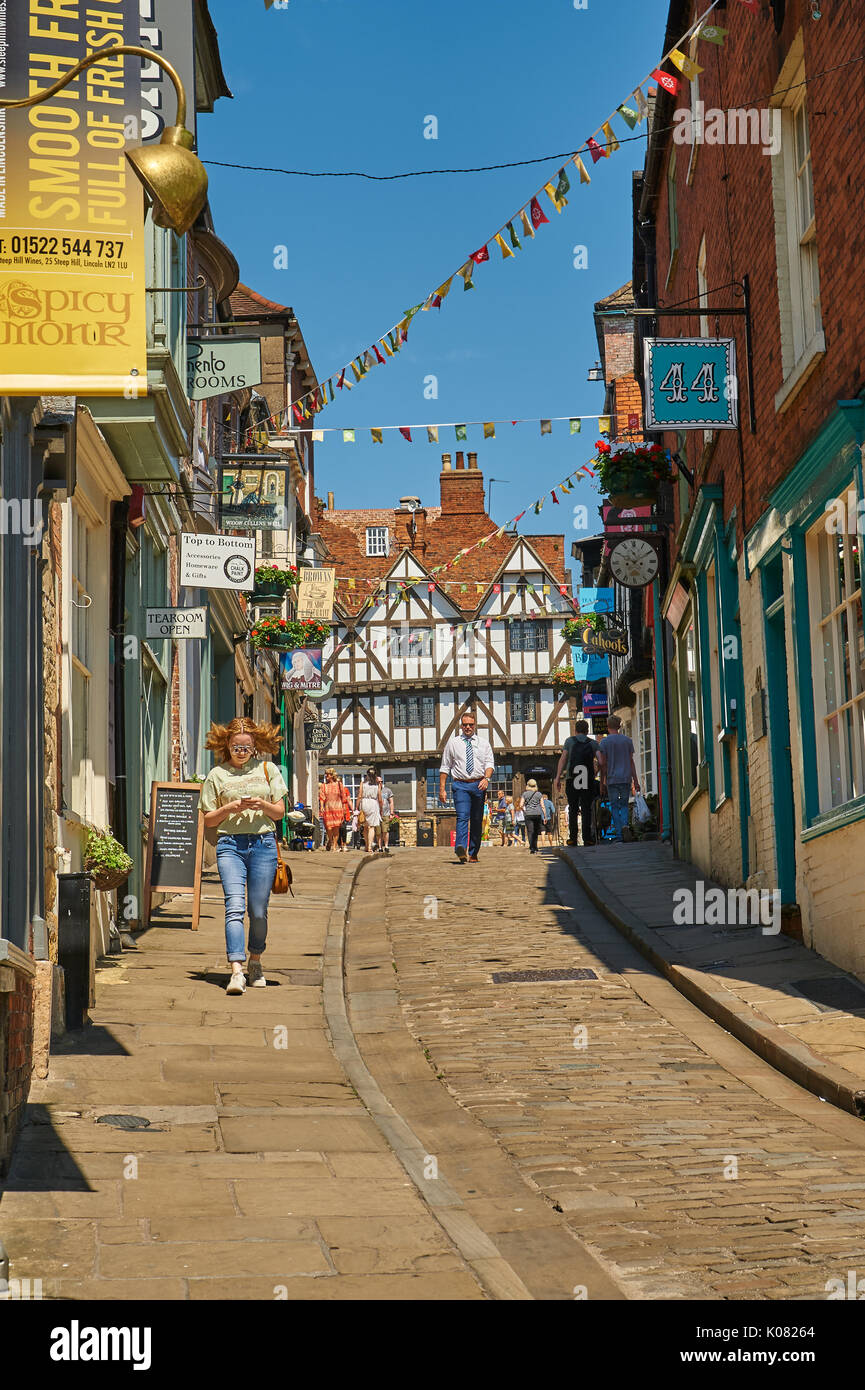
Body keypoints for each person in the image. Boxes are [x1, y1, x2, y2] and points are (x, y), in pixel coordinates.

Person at [199, 717, 288, 994]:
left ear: (254, 748)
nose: (240, 752)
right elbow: (208, 820)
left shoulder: (268, 769)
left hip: (263, 844)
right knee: (234, 906)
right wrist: (229, 809)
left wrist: (261, 804)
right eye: (236, 747)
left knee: (258, 911)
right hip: (230, 846)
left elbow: (280, 812)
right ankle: (236, 970)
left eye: (246, 748)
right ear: (227, 745)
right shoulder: (217, 775)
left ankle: (256, 961)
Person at [439, 710, 494, 863]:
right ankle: (461, 847)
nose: (468, 727)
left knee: (476, 819)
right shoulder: (453, 743)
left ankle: (473, 852)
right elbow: (445, 767)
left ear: (474, 725)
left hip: (478, 785)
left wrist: (487, 779)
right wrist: (442, 789)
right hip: (460, 785)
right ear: (461, 726)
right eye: (465, 725)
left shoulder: (483, 743)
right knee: (462, 816)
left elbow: (490, 764)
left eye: (470, 724)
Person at [555, 720, 600, 847]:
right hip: (588, 778)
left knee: (573, 808)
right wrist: (596, 772)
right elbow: (601, 760)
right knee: (586, 808)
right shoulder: (593, 743)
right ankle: (587, 838)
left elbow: (563, 759)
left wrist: (558, 777)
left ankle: (573, 838)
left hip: (572, 778)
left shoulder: (570, 741)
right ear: (587, 731)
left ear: (575, 730)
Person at [597, 715, 640, 843]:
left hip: (612, 778)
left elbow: (603, 764)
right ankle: (625, 825)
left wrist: (602, 782)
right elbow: (631, 762)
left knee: (615, 806)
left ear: (608, 726)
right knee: (624, 805)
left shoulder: (604, 742)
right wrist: (636, 781)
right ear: (619, 726)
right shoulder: (627, 741)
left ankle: (620, 835)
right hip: (626, 777)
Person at [319, 768, 350, 853]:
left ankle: (334, 846)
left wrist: (344, 808)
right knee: (328, 827)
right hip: (328, 808)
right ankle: (330, 840)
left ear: (332, 775)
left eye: (327, 774)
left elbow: (343, 797)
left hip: (338, 807)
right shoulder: (323, 786)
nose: (326, 776)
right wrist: (321, 806)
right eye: (325, 774)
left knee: (336, 828)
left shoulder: (339, 784)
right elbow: (322, 797)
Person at [356, 767, 383, 853]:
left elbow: (359, 795)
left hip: (364, 803)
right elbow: (379, 798)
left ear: (367, 775)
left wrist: (357, 807)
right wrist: (381, 808)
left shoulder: (363, 783)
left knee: (365, 826)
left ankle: (367, 845)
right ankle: (370, 847)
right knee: (371, 827)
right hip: (373, 803)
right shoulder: (377, 785)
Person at [518, 779, 548, 854]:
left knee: (530, 831)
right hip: (537, 814)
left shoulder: (524, 794)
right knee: (536, 831)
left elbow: (521, 805)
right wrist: (545, 816)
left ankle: (532, 847)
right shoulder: (539, 794)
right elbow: (543, 806)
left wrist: (524, 811)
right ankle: (535, 846)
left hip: (528, 814)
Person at [376, 775, 395, 855]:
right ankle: (380, 847)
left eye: (381, 782)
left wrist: (391, 813)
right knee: (378, 832)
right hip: (376, 814)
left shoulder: (387, 790)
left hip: (386, 813)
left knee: (385, 830)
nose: (380, 783)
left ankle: (386, 846)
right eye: (378, 782)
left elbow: (391, 802)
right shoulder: (374, 791)